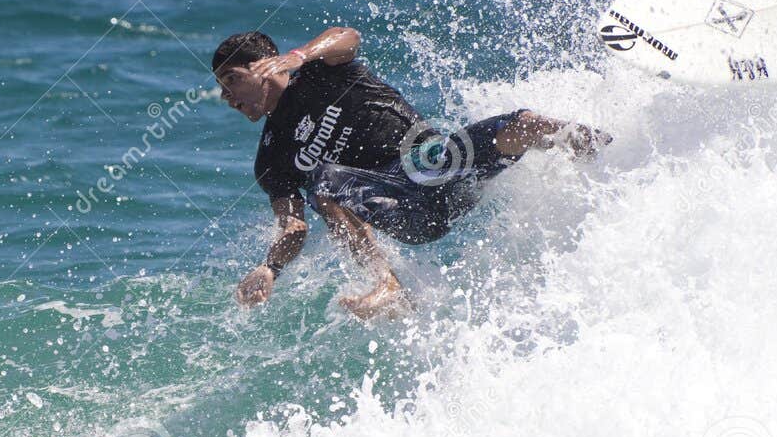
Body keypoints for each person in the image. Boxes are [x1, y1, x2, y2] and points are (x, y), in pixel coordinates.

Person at [214, 26, 608, 318]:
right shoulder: (271, 159)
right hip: (404, 213)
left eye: (232, 80)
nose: (226, 97)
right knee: (325, 186)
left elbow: (347, 37)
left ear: (264, 66)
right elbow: (292, 226)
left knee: (524, 124)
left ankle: (610, 152)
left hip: (436, 168)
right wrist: (270, 268)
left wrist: (301, 55)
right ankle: (388, 286)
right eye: (220, 87)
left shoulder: (322, 73)